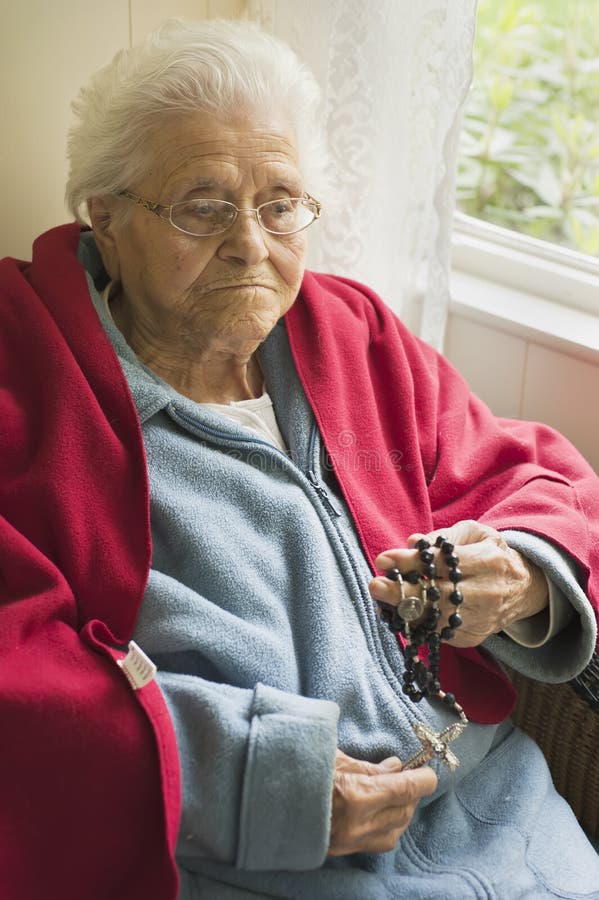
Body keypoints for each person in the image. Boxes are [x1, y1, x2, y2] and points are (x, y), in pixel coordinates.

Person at [1, 18, 599, 900]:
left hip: (498, 818)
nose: (250, 243)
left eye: (279, 204)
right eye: (203, 206)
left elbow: (533, 477)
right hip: (254, 858)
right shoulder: (25, 380)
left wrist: (517, 573)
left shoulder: (351, 333)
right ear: (107, 218)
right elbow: (19, 673)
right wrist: (259, 782)